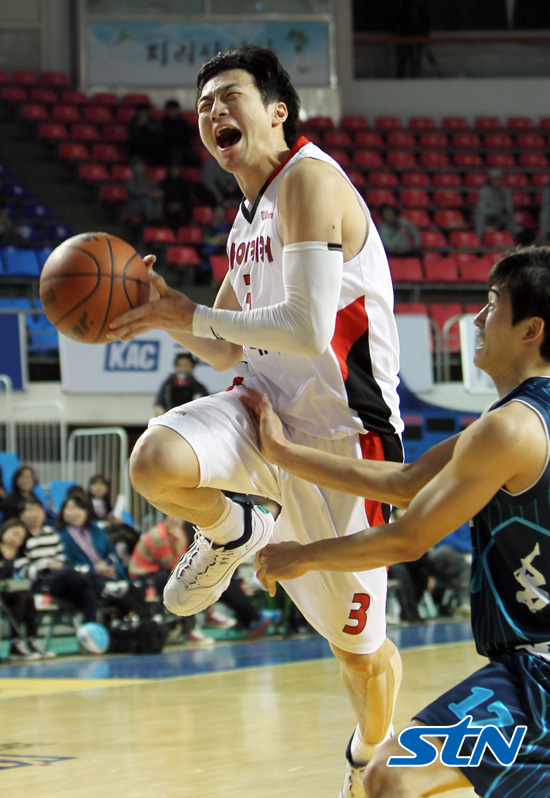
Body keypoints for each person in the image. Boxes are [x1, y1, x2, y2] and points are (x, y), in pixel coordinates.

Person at [107, 44, 404, 798]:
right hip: (260, 408)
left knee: (360, 655)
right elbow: (223, 344)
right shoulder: (248, 217)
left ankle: (370, 746)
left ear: (277, 111)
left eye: (228, 95)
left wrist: (191, 310)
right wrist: (163, 315)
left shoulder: (308, 179)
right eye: (203, 103)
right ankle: (234, 528)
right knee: (154, 462)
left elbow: (306, 327)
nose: (212, 111)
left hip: (343, 444)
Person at [248, 245, 550, 798]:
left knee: (391, 775)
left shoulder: (509, 429)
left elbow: (409, 538)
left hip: (540, 681)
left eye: (491, 304)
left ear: (531, 329)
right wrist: (284, 453)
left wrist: (301, 555)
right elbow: (405, 484)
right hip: (529, 678)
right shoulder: (515, 421)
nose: (478, 319)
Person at [55, 493, 153, 623]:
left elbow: (110, 552)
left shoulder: (95, 530)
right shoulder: (60, 536)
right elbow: (67, 565)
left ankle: (143, 624)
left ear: (87, 512)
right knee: (127, 594)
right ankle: (146, 624)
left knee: (135, 590)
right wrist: (95, 569)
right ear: (63, 512)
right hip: (85, 580)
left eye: (79, 508)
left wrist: (108, 566)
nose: (75, 513)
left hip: (107, 574)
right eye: (70, 508)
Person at [15, 496, 101, 625]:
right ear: (22, 515)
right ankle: (101, 586)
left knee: (87, 592)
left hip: (62, 579)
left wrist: (59, 565)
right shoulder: (20, 537)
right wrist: (48, 568)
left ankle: (90, 631)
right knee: (78, 576)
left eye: (38, 510)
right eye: (31, 510)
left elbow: (61, 557)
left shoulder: (51, 533)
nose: (35, 514)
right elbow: (23, 571)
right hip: (41, 583)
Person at [0, 517, 54, 659]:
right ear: (4, 531)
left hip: (10, 591)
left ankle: (32, 640)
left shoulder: (19, 554)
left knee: (28, 595)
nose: (16, 539)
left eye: (20, 537)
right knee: (20, 597)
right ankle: (15, 643)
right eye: (14, 533)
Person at [153, 352, 208, 416]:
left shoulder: (199, 388)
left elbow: (205, 409)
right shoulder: (168, 384)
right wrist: (165, 417)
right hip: (170, 420)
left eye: (186, 365)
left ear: (192, 367)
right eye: (179, 365)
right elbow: (158, 406)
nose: (182, 368)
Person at [475, 169, 517, 243]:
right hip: (488, 215)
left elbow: (509, 206)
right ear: (491, 180)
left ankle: (511, 239)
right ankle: (480, 239)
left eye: (499, 179)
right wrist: (494, 212)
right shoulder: (484, 191)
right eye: (495, 179)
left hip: (501, 215)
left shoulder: (505, 191)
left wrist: (504, 210)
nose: (498, 181)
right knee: (479, 216)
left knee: (511, 218)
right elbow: (482, 208)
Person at [393, 0, 431, 78]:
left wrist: (423, 34)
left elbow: (426, 22)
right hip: (404, 38)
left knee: (415, 63)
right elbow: (396, 21)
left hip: (416, 38)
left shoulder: (420, 6)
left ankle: (415, 80)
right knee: (402, 62)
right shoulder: (402, 6)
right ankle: (400, 81)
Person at [125, 156, 164, 223]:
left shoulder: (149, 181)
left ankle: (157, 221)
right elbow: (134, 192)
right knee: (147, 200)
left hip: (150, 204)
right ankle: (150, 222)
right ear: (134, 168)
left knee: (158, 200)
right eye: (138, 166)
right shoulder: (130, 181)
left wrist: (157, 194)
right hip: (135, 205)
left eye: (141, 166)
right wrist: (148, 193)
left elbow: (156, 190)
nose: (140, 168)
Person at [158, 99, 196, 166]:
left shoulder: (184, 125)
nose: (172, 112)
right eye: (170, 110)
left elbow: (188, 139)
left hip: (182, 152)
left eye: (174, 110)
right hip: (165, 153)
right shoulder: (161, 125)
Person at [160, 160, 194, 229]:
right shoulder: (164, 184)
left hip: (181, 212)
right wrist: (169, 206)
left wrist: (179, 206)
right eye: (172, 169)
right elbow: (162, 197)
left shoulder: (185, 184)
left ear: (180, 170)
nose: (174, 171)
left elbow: (188, 199)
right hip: (167, 211)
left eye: (176, 169)